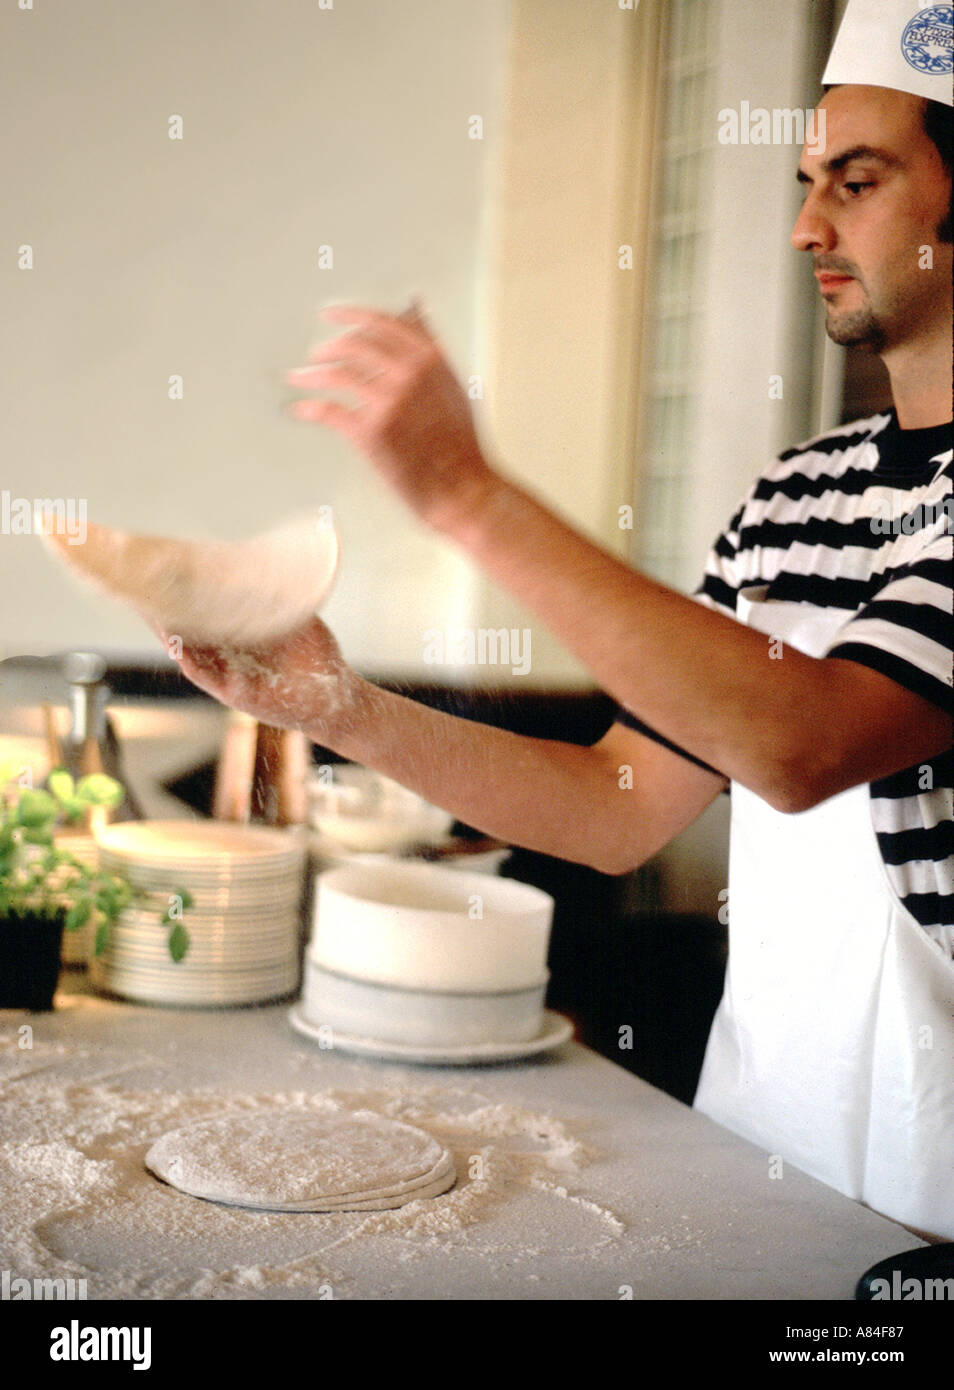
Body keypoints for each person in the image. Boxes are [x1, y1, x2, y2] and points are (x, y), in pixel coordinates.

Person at [168, 3, 953, 1238]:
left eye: (857, 183)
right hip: (765, 1149)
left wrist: (470, 499)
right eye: (809, 183)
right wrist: (341, 712)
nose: (809, 227)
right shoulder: (797, 492)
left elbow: (808, 744)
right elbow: (615, 808)